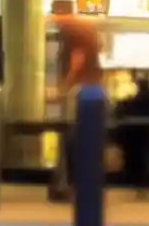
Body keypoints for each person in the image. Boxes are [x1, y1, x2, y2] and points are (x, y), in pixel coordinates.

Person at [48, 14, 102, 201]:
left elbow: (77, 58)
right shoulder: (87, 33)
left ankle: (67, 184)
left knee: (70, 139)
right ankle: (74, 184)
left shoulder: (73, 34)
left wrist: (66, 83)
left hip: (78, 92)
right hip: (90, 92)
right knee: (80, 140)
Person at [115, 72, 149, 197]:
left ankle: (138, 184)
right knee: (143, 160)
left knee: (136, 160)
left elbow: (125, 110)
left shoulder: (135, 100)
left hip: (134, 135)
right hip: (145, 135)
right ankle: (142, 185)